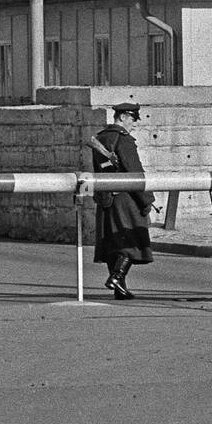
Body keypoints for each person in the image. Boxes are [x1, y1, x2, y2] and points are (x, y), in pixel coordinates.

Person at [91, 102, 156, 300]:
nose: (134, 124)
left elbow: (102, 168)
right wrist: (146, 200)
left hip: (107, 197)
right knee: (133, 238)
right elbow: (134, 172)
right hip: (126, 199)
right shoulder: (123, 140)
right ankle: (117, 277)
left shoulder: (101, 138)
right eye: (132, 119)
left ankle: (120, 288)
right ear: (122, 117)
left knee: (113, 243)